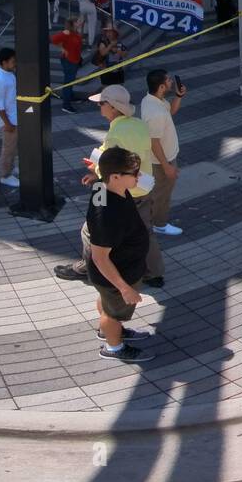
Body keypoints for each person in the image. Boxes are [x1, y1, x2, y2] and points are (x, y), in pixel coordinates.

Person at [83, 145, 154, 363]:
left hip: (116, 272)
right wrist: (124, 288)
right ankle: (113, 347)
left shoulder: (102, 188)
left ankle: (110, 331)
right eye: (134, 173)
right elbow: (100, 257)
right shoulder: (107, 216)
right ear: (115, 176)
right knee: (113, 313)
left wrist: (95, 175)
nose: (138, 177)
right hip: (117, 275)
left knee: (107, 304)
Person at [88, 84, 162, 286]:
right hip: (144, 187)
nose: (99, 107)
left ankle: (91, 267)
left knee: (92, 229)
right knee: (145, 230)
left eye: (102, 103)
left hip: (121, 193)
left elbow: (109, 169)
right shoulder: (138, 124)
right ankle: (155, 272)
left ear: (112, 107)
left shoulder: (115, 133)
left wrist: (95, 172)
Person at [139, 67, 186, 238]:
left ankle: (152, 220)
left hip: (165, 158)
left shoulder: (151, 99)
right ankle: (159, 224)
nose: (171, 82)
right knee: (162, 194)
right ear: (160, 87)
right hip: (162, 161)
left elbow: (171, 111)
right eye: (168, 81)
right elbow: (154, 142)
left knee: (159, 192)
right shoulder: (156, 113)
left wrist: (178, 97)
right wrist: (167, 166)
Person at [0, 44, 22, 189]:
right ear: (4, 62)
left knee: (14, 147)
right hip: (9, 120)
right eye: (12, 61)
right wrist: (7, 123)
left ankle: (12, 168)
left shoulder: (10, 74)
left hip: (15, 117)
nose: (14, 63)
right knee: (8, 148)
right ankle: (5, 175)